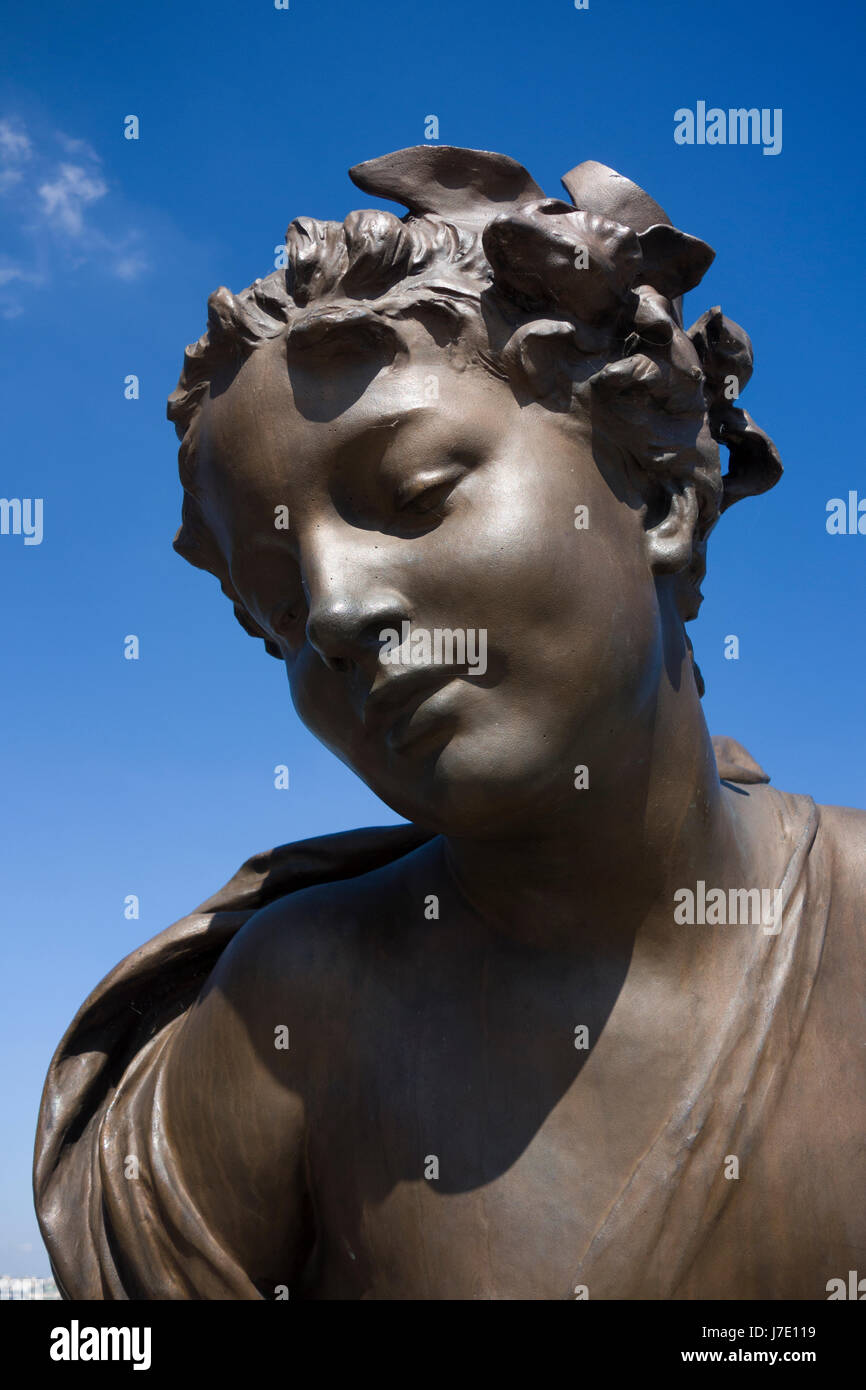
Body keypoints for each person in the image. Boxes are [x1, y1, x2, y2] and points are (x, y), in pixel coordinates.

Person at [35, 146, 866, 1300]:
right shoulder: (286, 1016)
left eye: (417, 494)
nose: (331, 612)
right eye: (275, 609)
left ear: (662, 498)